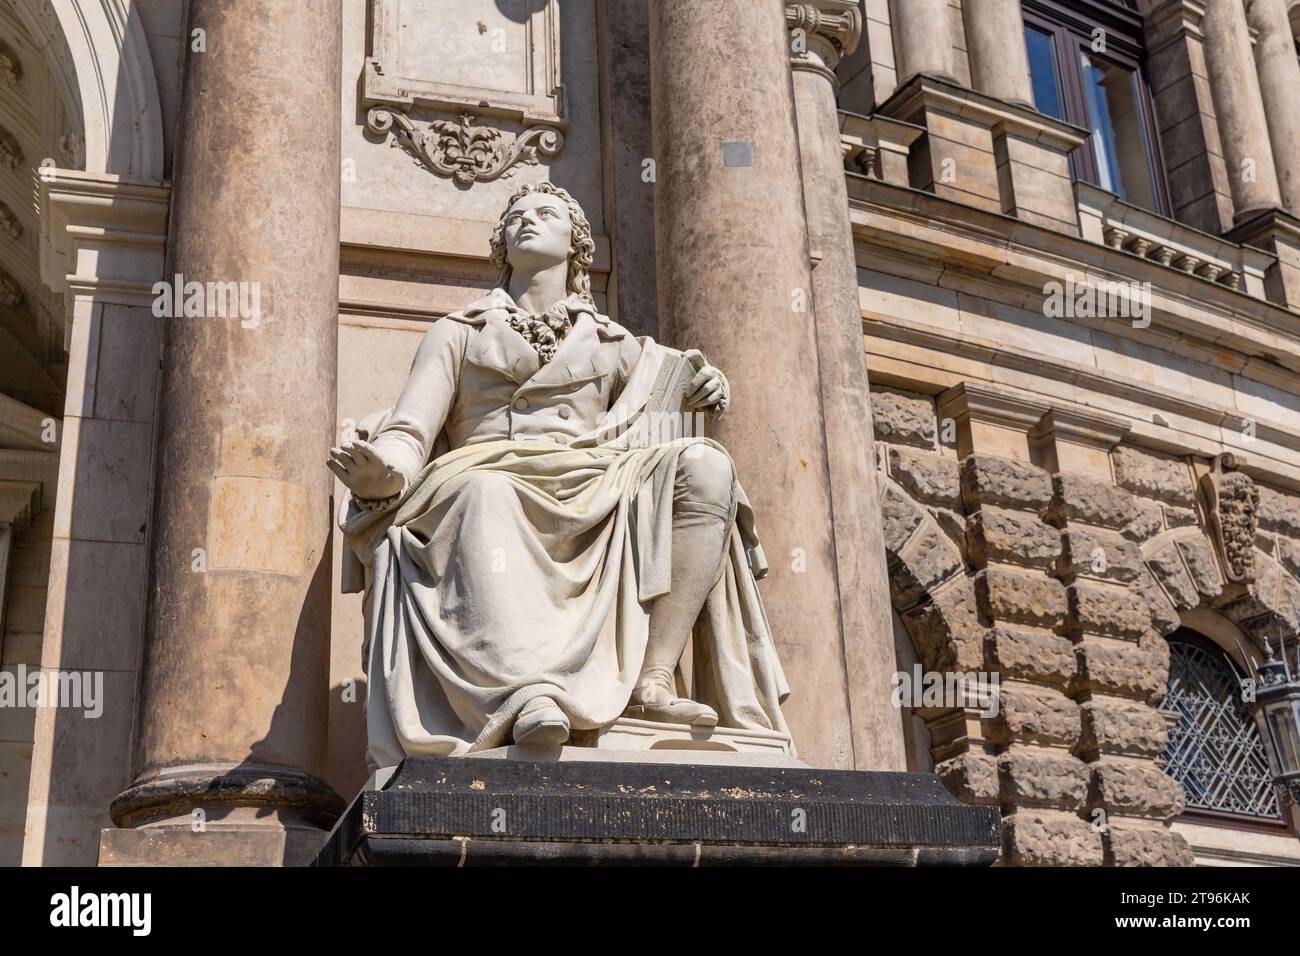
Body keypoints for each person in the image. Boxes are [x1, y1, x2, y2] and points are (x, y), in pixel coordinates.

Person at [329, 181, 789, 768]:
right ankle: (525, 695)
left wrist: (700, 393)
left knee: (705, 464)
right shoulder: (459, 331)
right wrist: (383, 474)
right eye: (515, 216)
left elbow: (655, 419)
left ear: (577, 243)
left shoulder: (616, 343)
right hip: (488, 467)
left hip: (597, 475)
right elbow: (412, 428)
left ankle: (653, 681)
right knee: (485, 493)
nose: (526, 221)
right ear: (501, 246)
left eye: (544, 214)